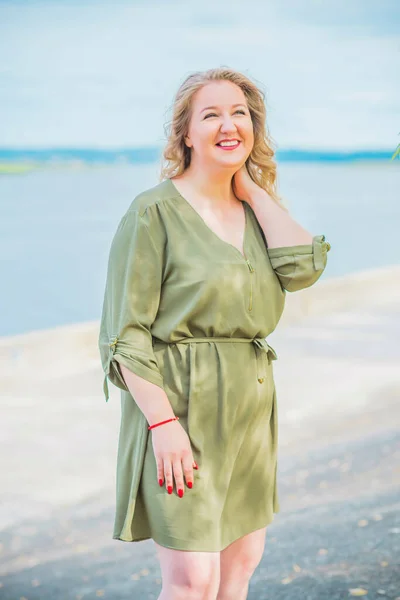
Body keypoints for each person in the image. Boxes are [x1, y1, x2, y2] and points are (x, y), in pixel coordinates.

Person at [98, 67, 331, 600]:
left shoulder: (255, 214)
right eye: (212, 114)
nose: (229, 125)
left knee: (239, 570)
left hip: (249, 414)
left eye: (240, 113)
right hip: (180, 410)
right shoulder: (152, 212)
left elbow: (302, 269)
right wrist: (162, 424)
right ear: (185, 133)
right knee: (192, 583)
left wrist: (250, 187)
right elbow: (124, 335)